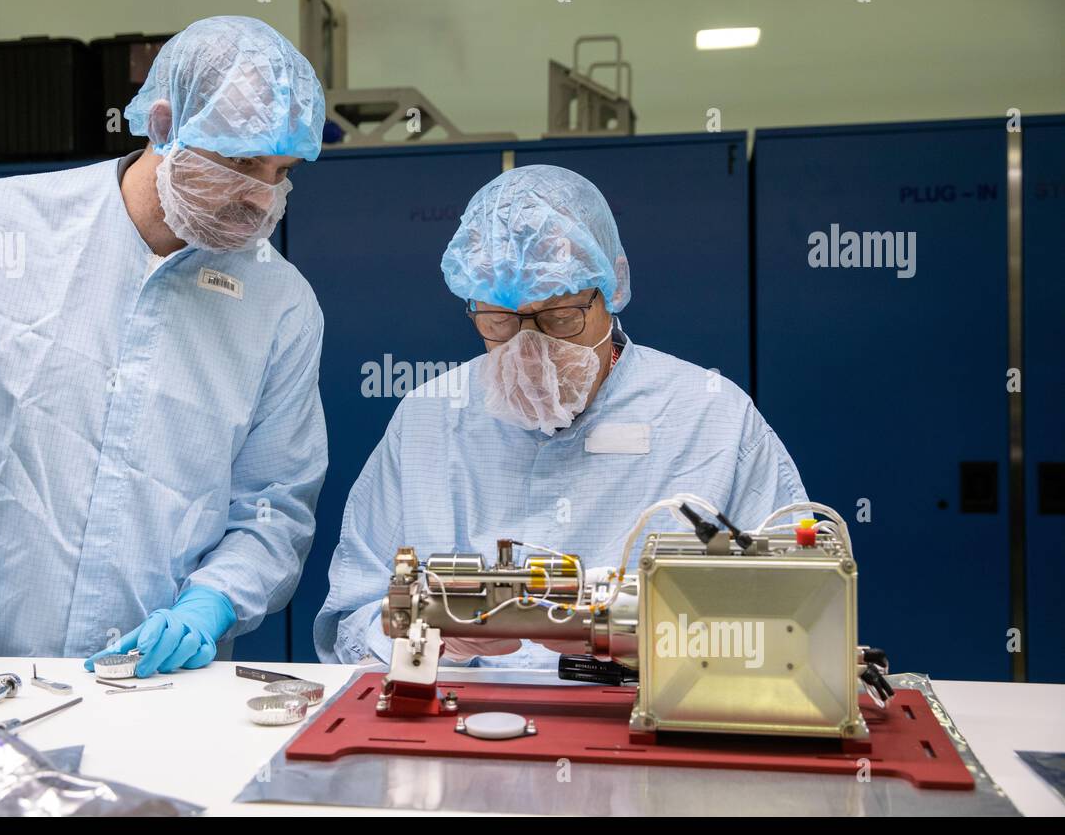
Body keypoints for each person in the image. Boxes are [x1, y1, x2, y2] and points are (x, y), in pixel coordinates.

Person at [0, 16, 328, 679]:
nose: (260, 199)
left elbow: (276, 506)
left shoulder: (281, 305)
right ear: (163, 124)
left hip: (148, 686)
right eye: (238, 162)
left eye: (281, 171)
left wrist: (212, 602)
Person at [315, 165, 806, 667]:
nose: (530, 349)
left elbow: (794, 625)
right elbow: (350, 627)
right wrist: (426, 637)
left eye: (560, 317)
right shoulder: (428, 420)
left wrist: (644, 640)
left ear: (611, 290)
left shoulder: (710, 419)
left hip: (642, 725)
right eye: (500, 320)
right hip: (458, 726)